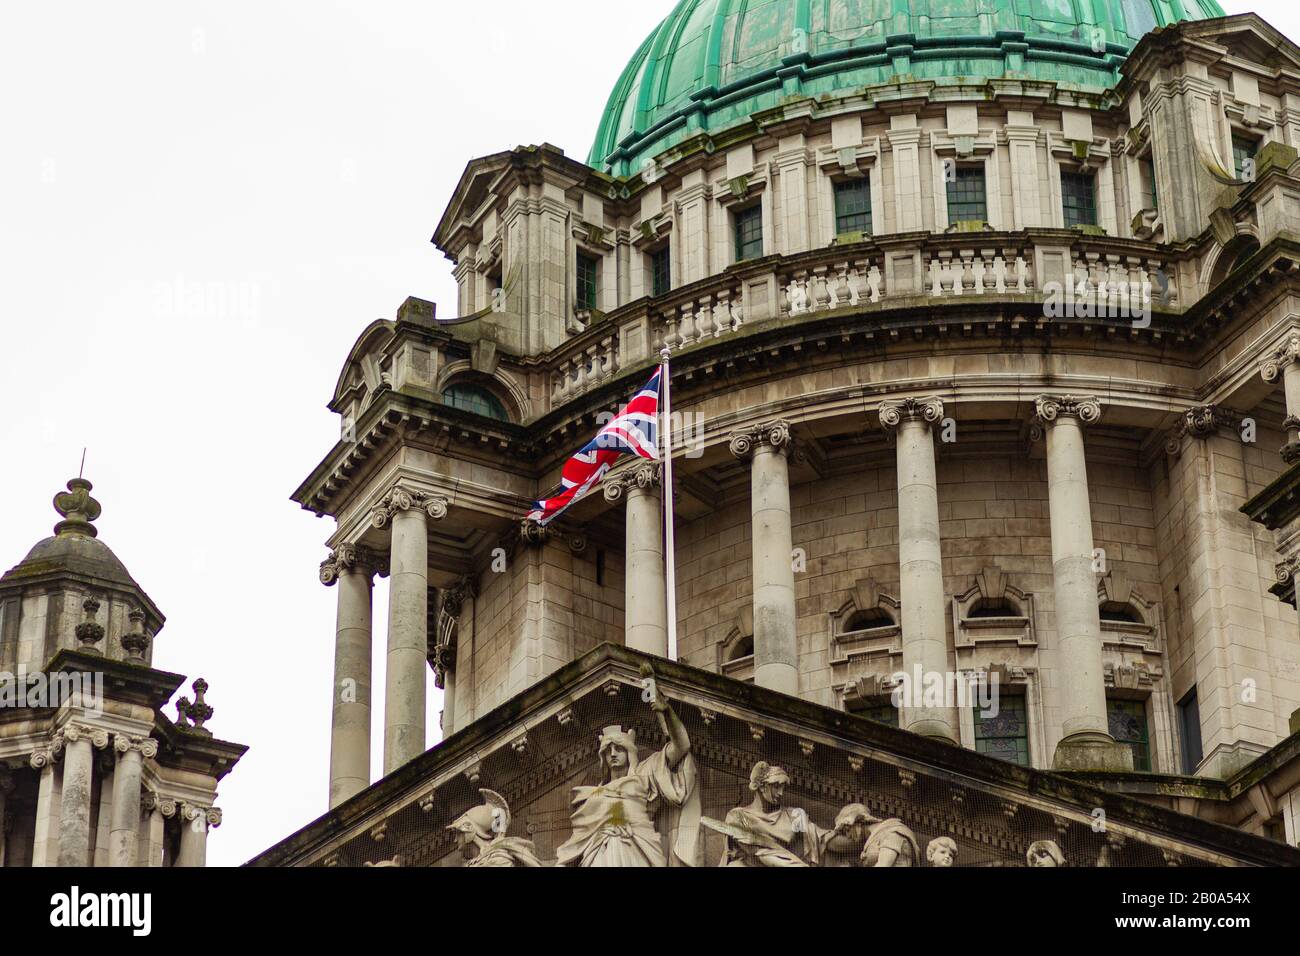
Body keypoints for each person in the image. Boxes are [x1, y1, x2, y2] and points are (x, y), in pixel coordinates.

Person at [557, 677, 700, 867]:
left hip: (638, 850)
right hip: (601, 851)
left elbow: (682, 746)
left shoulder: (646, 771)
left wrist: (667, 711)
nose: (613, 754)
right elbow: (579, 838)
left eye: (619, 749)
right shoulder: (594, 794)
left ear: (630, 750)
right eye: (608, 751)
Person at [717, 763, 872, 866]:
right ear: (762, 787)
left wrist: (870, 834)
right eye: (776, 787)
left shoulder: (793, 816)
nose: (781, 793)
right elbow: (760, 850)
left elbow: (824, 841)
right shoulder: (739, 817)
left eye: (783, 788)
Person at [447, 789, 543, 867]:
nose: (455, 840)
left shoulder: (498, 859)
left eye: (459, 833)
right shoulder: (470, 863)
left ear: (470, 831)